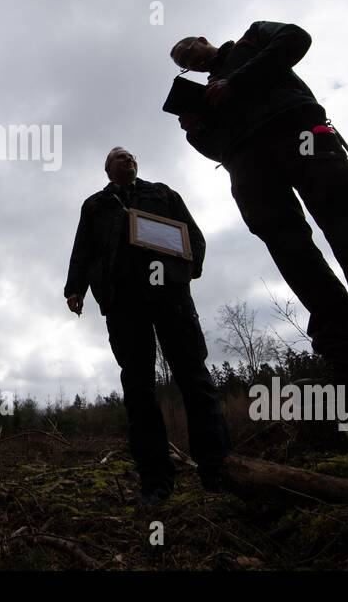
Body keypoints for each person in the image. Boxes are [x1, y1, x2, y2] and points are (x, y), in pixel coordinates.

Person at [170, 22, 348, 393]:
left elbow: (296, 38)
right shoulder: (206, 97)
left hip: (302, 139)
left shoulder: (253, 39)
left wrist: (237, 81)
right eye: (183, 63)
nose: (188, 60)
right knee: (296, 260)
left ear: (203, 39)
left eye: (188, 50)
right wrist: (196, 129)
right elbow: (214, 149)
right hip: (248, 167)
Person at [65, 147, 230, 503]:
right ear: (107, 169)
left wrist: (186, 269)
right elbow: (83, 248)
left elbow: (193, 237)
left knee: (193, 376)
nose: (129, 159)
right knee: (138, 387)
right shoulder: (94, 205)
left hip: (170, 294)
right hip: (122, 299)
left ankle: (216, 469)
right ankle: (155, 482)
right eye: (120, 157)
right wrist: (74, 287)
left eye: (132, 156)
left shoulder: (163, 193)